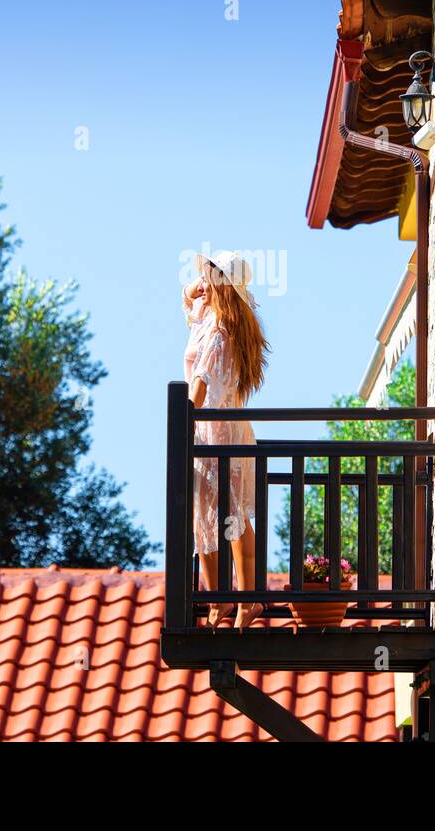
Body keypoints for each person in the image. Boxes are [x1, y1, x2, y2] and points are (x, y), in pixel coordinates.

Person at [181, 250, 269, 629]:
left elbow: (199, 383)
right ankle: (240, 602)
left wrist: (181, 422)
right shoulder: (222, 323)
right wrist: (194, 287)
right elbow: (188, 303)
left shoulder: (217, 331)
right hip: (232, 429)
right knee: (230, 517)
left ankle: (226, 603)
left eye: (211, 277)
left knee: (214, 517)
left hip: (211, 431)